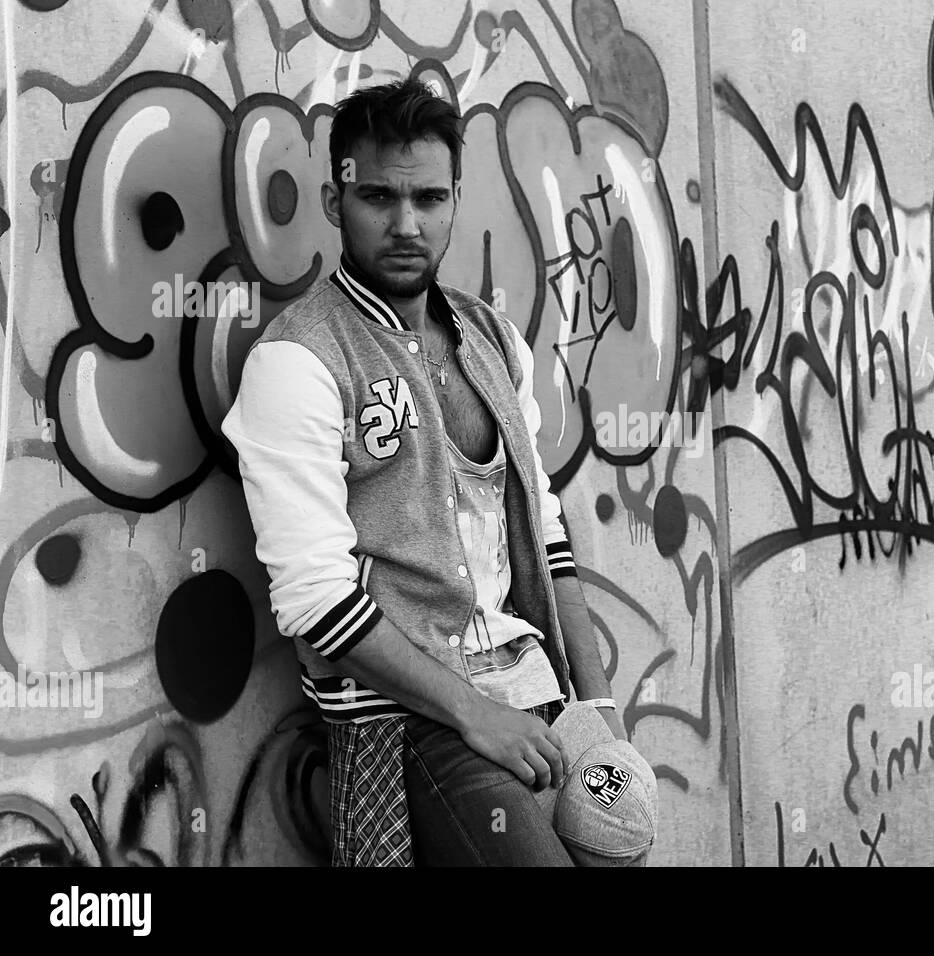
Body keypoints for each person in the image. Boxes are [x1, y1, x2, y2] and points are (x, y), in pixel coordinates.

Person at [221, 75, 649, 866]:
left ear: (456, 196)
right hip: (413, 719)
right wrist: (471, 714)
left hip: (539, 692)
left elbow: (545, 535)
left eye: (429, 199)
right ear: (334, 200)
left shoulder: (491, 339)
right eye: (379, 197)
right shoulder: (298, 361)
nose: (406, 223)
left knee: (623, 844)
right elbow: (315, 600)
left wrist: (597, 709)